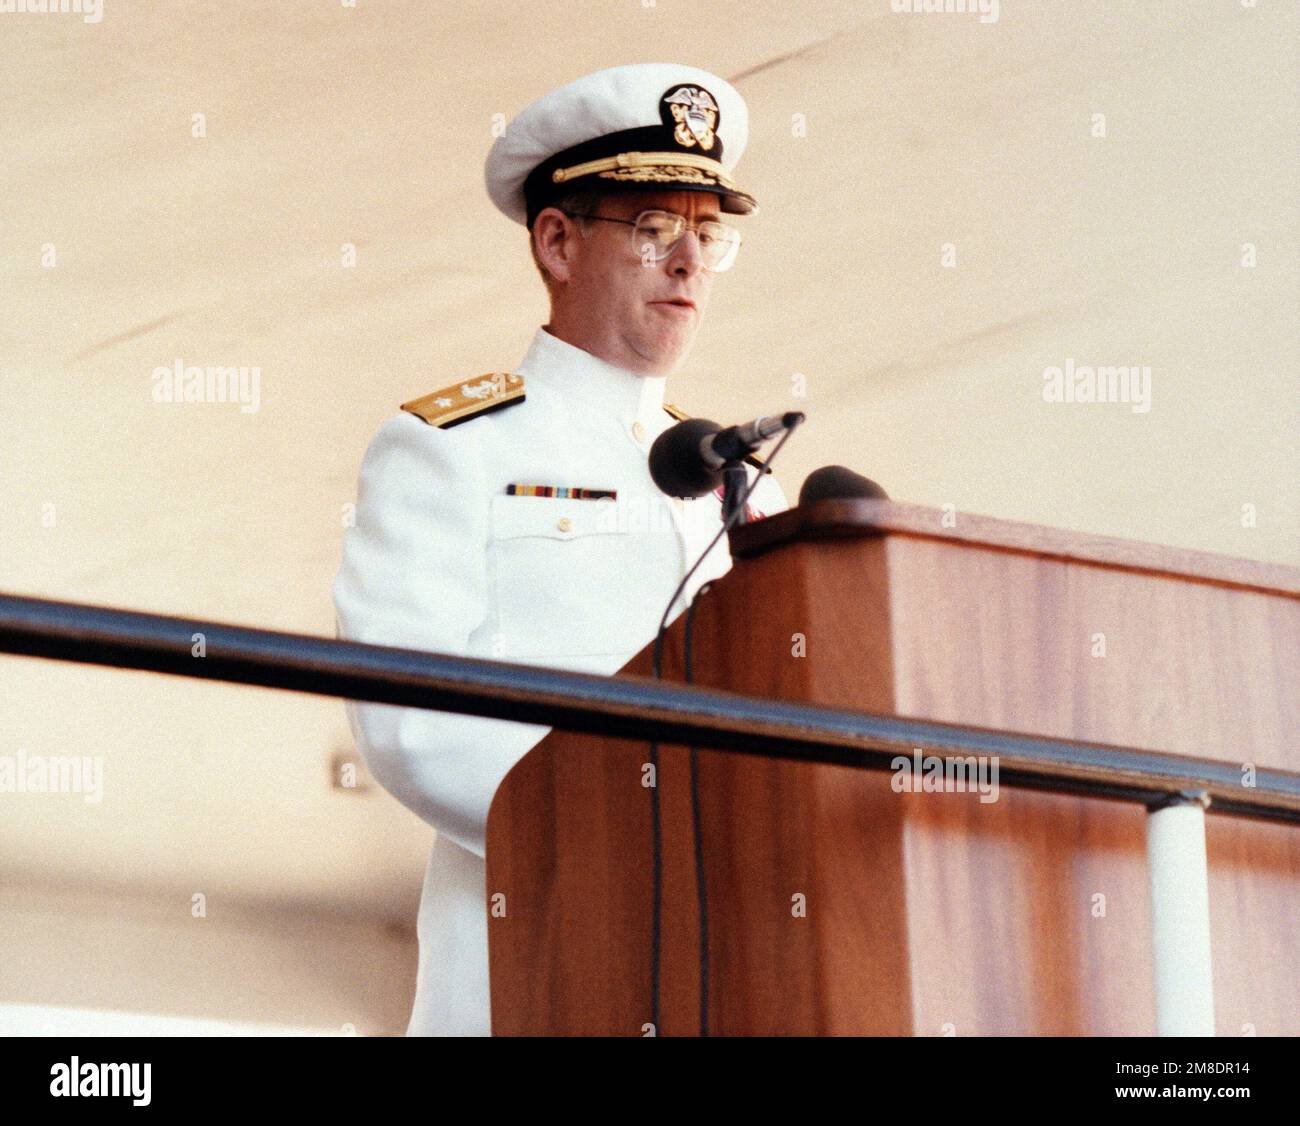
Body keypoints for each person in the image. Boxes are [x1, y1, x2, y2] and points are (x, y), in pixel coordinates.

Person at [332, 62, 788, 1036]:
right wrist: (621, 821)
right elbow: (408, 714)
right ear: (557, 241)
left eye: (708, 234)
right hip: (534, 942)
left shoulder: (745, 484)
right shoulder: (454, 444)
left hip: (732, 962)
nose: (689, 264)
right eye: (655, 229)